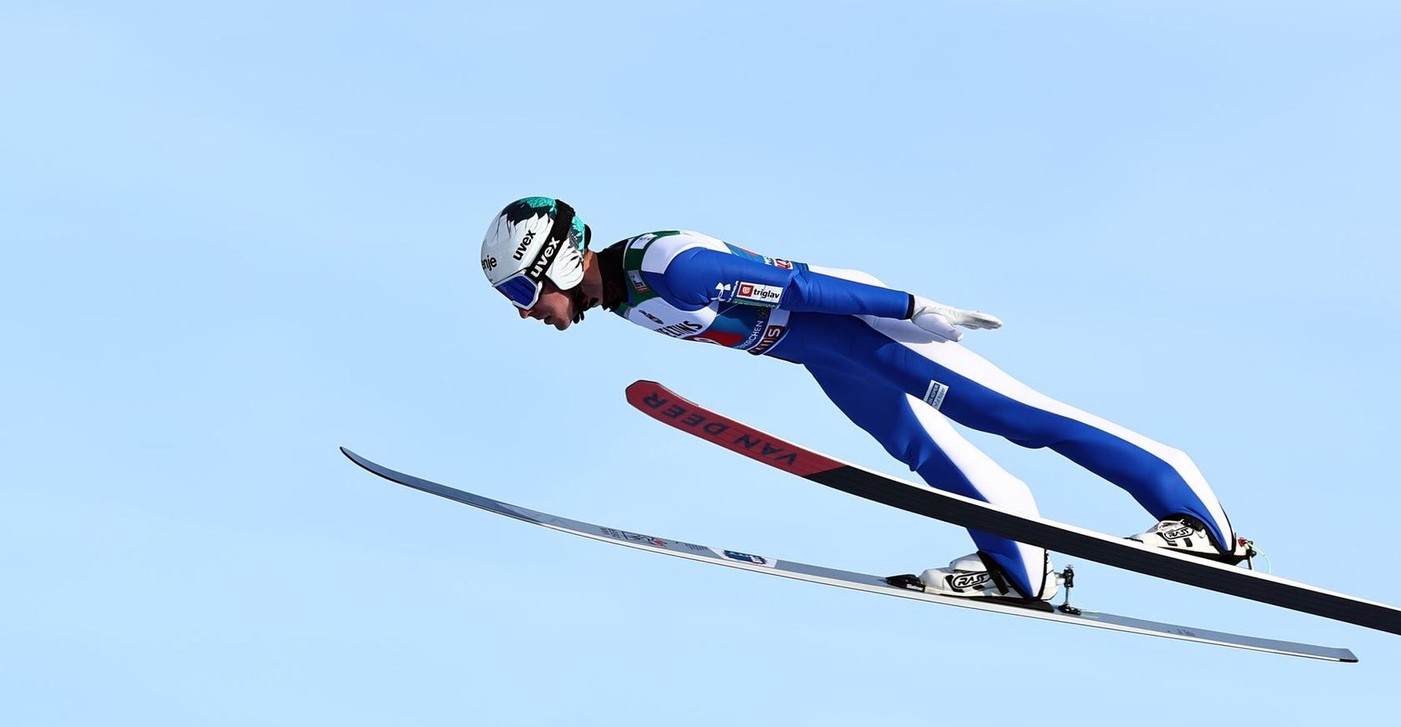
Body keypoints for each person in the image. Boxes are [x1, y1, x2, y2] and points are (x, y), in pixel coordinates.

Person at [479, 197, 1251, 607]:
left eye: (522, 289)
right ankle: (1024, 568)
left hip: (860, 328)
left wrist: (912, 305)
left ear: (563, 261)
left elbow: (800, 287)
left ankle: (1197, 516)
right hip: (816, 354)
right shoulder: (623, 298)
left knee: (1014, 417)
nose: (524, 309)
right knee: (921, 455)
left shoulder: (669, 269)